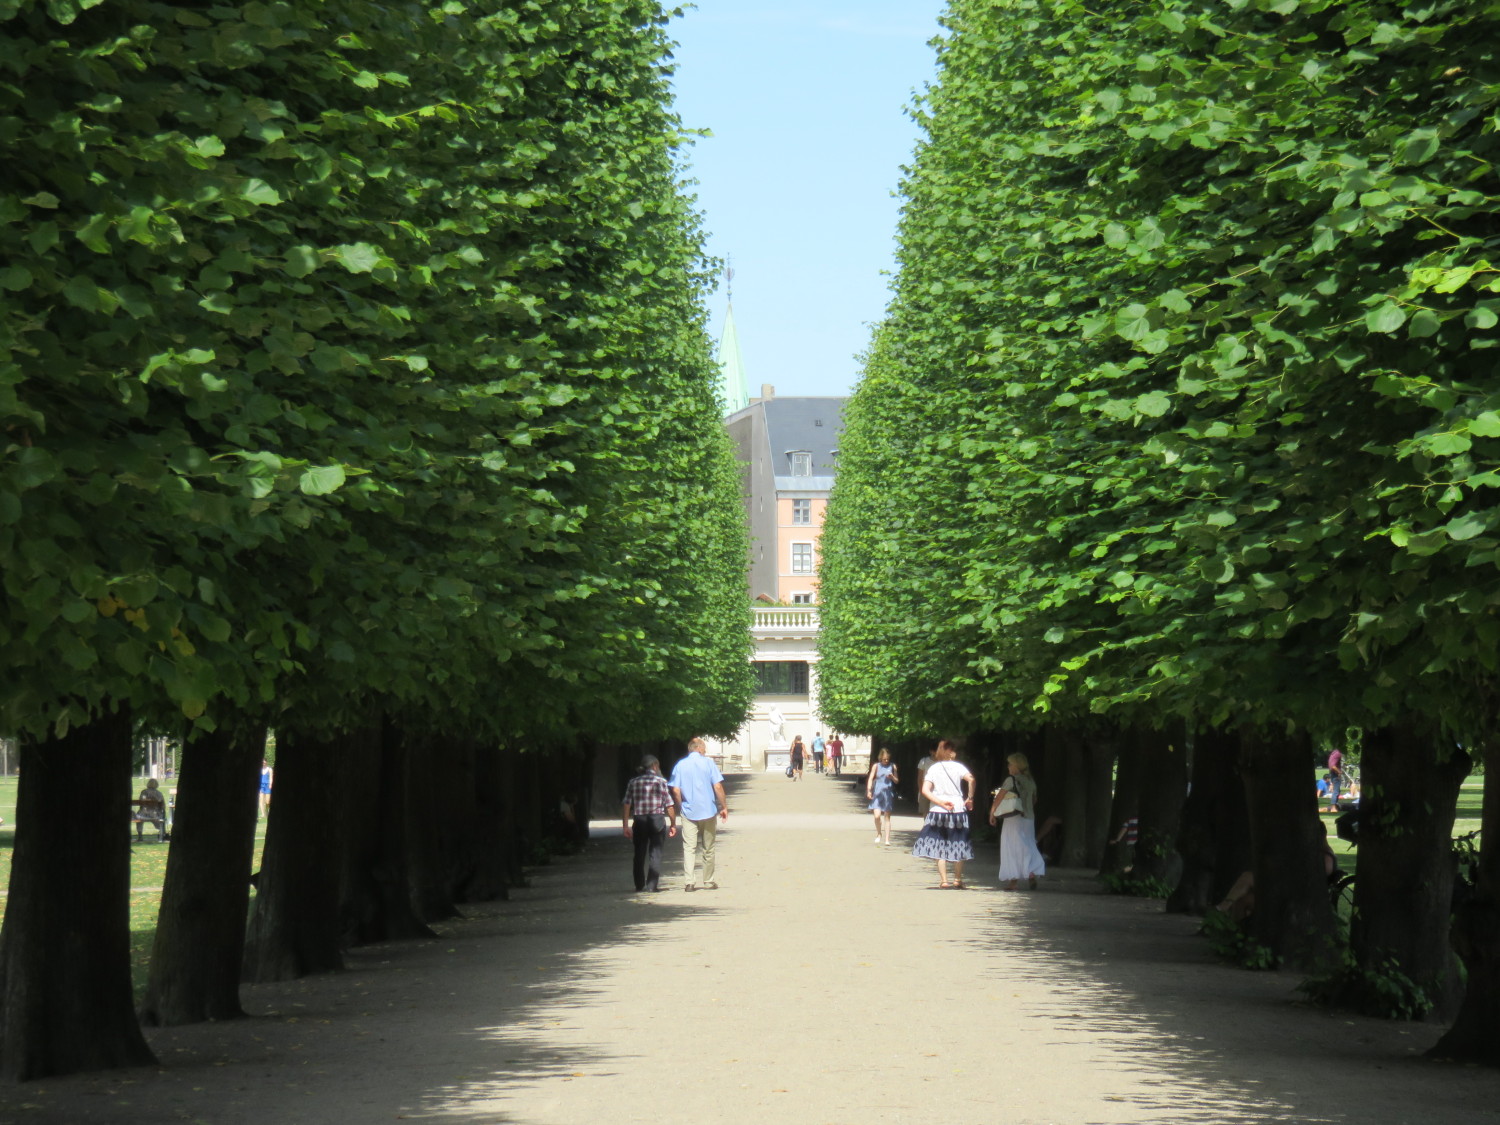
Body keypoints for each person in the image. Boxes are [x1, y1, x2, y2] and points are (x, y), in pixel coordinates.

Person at [911, 740, 975, 888]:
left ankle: (944, 880)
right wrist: (970, 798)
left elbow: (925, 790)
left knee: (939, 844)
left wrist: (939, 802)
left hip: (938, 811)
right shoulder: (959, 767)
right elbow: (971, 779)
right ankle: (958, 879)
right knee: (959, 843)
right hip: (958, 809)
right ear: (952, 752)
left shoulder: (934, 768)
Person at [669, 737, 729, 892]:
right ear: (700, 748)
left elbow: (675, 790)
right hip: (708, 810)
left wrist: (681, 805)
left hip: (689, 811)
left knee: (689, 847)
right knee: (708, 847)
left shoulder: (680, 765)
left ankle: (689, 882)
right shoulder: (708, 763)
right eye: (705, 748)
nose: (706, 751)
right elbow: (717, 785)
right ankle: (708, 881)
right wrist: (724, 806)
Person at [990, 752, 1046, 890]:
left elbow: (1000, 797)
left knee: (1011, 847)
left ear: (1016, 766)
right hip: (1029, 818)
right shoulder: (1030, 781)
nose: (1008, 766)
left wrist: (992, 812)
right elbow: (1034, 800)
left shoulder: (1011, 780)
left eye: (1010, 764)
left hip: (1013, 818)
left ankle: (1013, 881)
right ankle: (1031, 871)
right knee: (1028, 845)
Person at [622, 754, 677, 893]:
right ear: (654, 766)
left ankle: (639, 885)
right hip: (657, 819)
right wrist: (673, 824)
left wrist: (625, 825)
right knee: (656, 853)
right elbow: (669, 805)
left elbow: (627, 804)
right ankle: (652, 885)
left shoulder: (633, 782)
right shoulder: (661, 781)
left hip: (639, 820)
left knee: (639, 853)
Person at [866, 749, 898, 845]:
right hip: (877, 793)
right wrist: (869, 790)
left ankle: (887, 839)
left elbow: (897, 781)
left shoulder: (893, 766)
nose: (886, 761)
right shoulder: (876, 766)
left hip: (887, 794)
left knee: (887, 817)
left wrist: (892, 777)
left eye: (887, 759)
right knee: (877, 816)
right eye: (884, 759)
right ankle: (879, 834)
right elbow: (871, 778)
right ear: (880, 758)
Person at [133, 778, 167, 842]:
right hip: (155, 815)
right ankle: (162, 834)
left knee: (139, 820)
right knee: (160, 821)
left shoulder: (144, 792)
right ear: (156, 785)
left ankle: (140, 836)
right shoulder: (159, 793)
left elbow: (141, 802)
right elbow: (163, 806)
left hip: (143, 814)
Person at [915, 749, 936, 815]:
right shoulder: (924, 761)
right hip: (926, 789)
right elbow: (920, 777)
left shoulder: (942, 762)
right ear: (930, 751)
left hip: (937, 790)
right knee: (926, 812)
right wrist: (921, 790)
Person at [1326, 747, 1344, 812]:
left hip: (1332, 773)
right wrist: (1339, 772)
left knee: (1337, 791)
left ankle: (1335, 806)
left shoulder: (1333, 754)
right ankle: (1333, 808)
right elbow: (1333, 766)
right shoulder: (1338, 753)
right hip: (1335, 774)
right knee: (1336, 791)